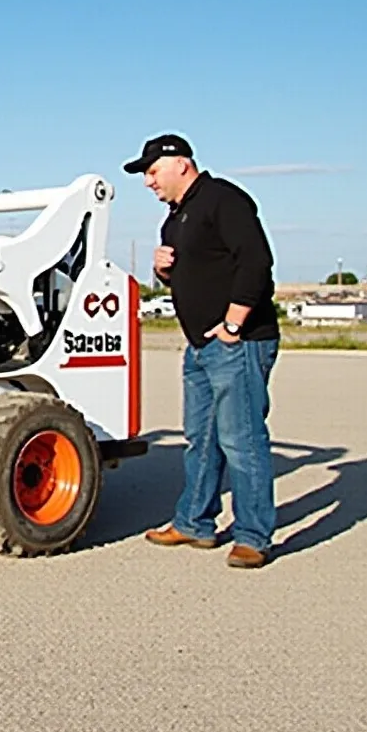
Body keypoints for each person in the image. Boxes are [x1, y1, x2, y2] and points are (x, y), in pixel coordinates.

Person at [124, 133, 280, 568]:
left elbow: (256, 262)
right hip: (199, 347)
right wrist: (162, 271)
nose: (148, 182)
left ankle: (253, 536)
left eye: (152, 172)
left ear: (180, 163)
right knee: (201, 440)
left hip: (239, 342)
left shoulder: (223, 200)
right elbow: (193, 276)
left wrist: (233, 323)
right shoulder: (174, 219)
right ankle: (194, 522)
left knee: (242, 440)